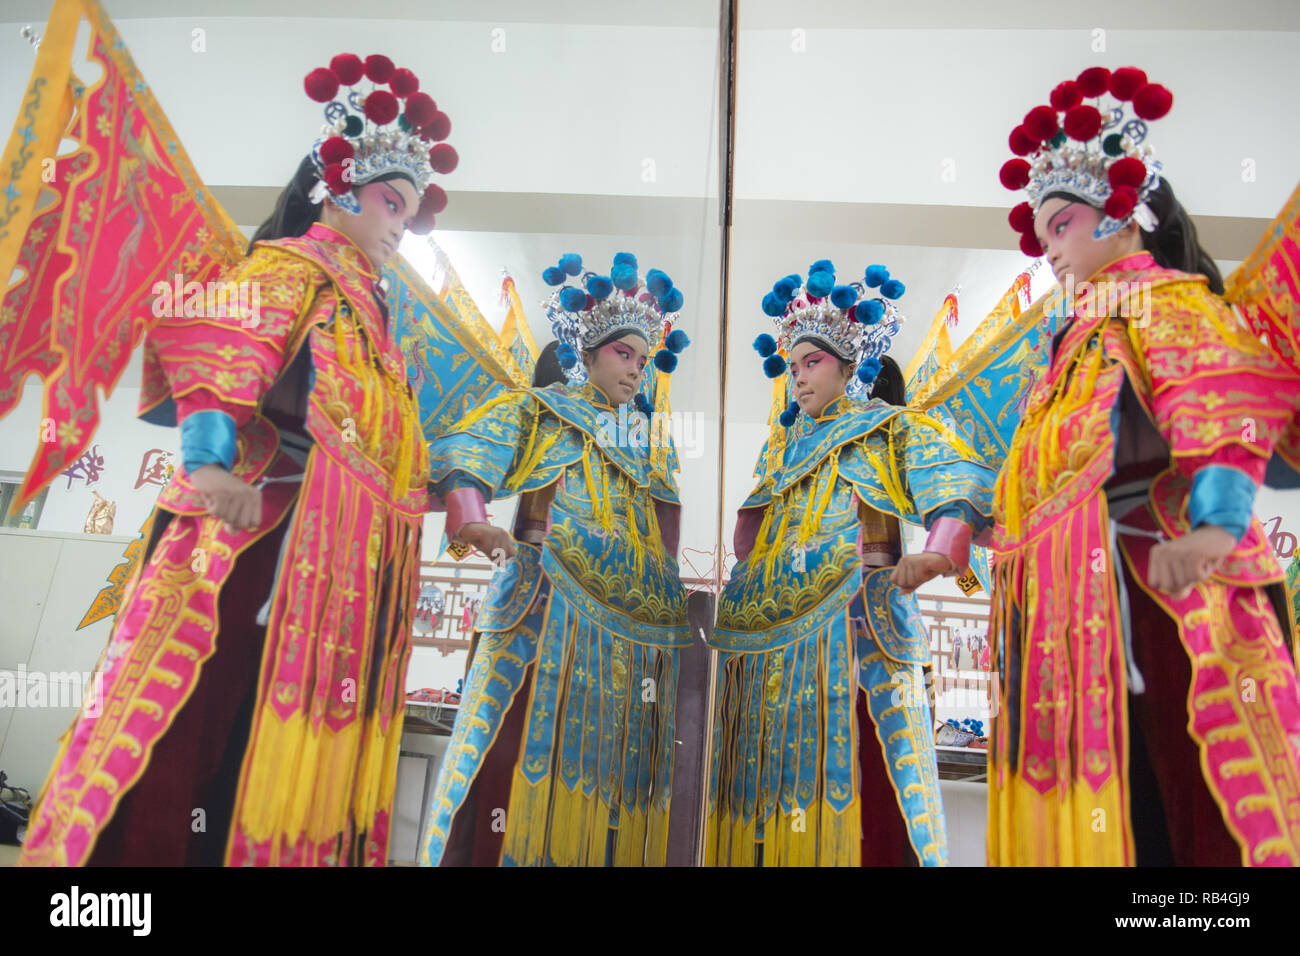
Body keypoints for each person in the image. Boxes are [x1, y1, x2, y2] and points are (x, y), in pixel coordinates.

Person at [20, 52, 458, 867]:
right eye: (391, 202)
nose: (401, 225)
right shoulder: (293, 267)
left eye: (410, 210)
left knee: (258, 730)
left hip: (327, 567)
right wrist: (211, 461)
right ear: (338, 192)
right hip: (251, 536)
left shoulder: (383, 329)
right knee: (194, 722)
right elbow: (229, 351)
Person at [989, 65, 1300, 865]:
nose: (1050, 250)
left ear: (1123, 215)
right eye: (1043, 232)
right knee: (1138, 811)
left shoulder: (1162, 300)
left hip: (1163, 586)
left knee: (1187, 804)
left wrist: (1218, 527)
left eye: (1061, 225)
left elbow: (1222, 395)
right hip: (1085, 604)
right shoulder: (1067, 346)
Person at [705, 260, 997, 866]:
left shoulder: (887, 430)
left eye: (811, 364)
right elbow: (750, 549)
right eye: (791, 368)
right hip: (778, 656)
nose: (798, 381)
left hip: (860, 637)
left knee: (868, 802)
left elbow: (956, 482)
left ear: (848, 367)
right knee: (778, 798)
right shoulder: (780, 455)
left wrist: (939, 552)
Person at [419, 252, 693, 866]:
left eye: (644, 360)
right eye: (624, 354)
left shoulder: (650, 448)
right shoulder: (544, 411)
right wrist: (472, 517)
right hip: (539, 610)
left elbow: (663, 547)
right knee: (507, 761)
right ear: (589, 355)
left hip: (618, 638)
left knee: (601, 773)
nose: (636, 371)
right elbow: (470, 446)